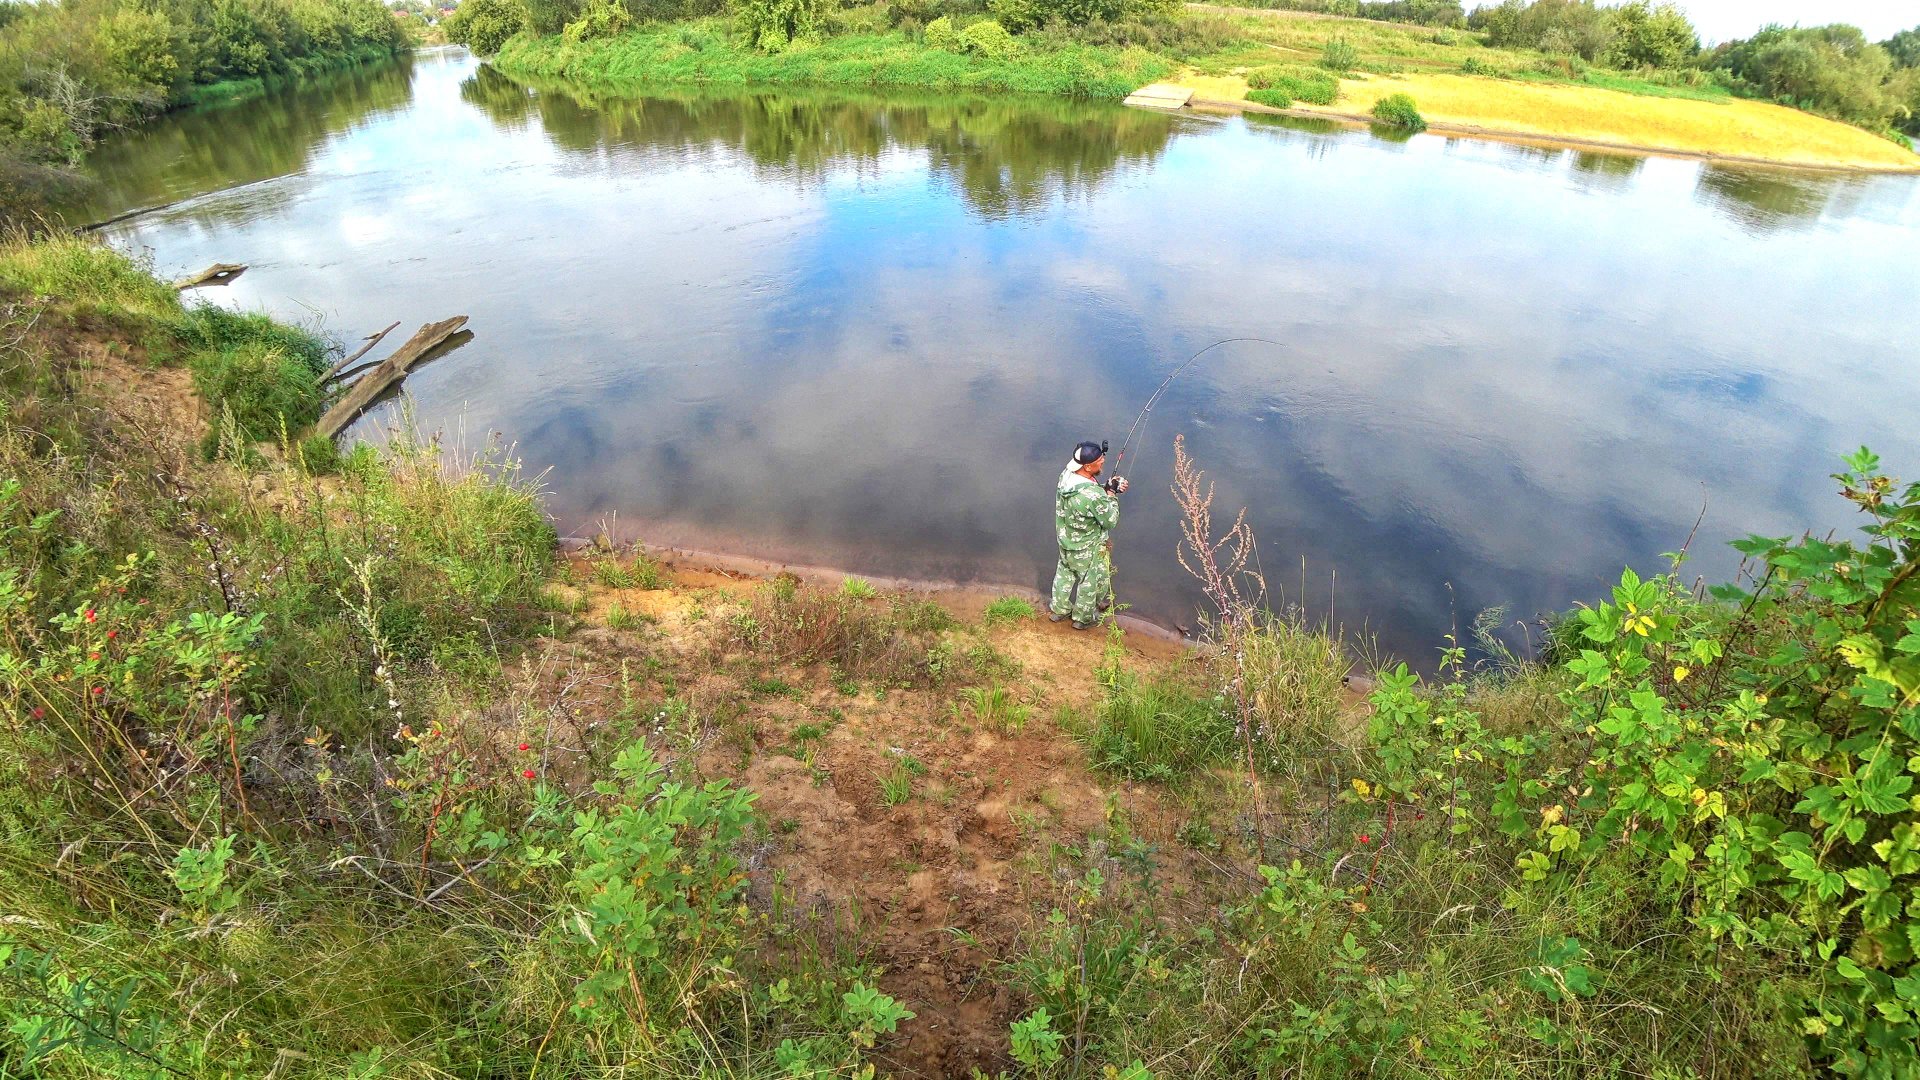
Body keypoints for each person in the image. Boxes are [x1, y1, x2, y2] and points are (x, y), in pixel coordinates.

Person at [1050, 440, 1127, 630]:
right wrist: (1112, 495)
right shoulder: (1092, 495)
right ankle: (1082, 619)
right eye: (1100, 460)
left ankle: (1059, 610)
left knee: (1064, 574)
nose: (1103, 462)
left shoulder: (1066, 476)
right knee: (1089, 582)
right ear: (1087, 465)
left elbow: (1087, 492)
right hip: (1087, 548)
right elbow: (1110, 521)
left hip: (1066, 540)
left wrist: (1105, 487)